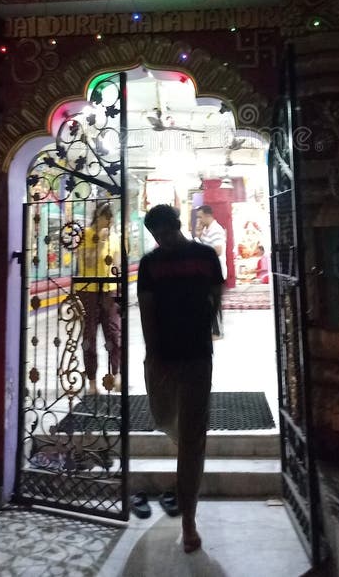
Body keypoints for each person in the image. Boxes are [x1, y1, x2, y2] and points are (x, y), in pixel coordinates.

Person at [138, 204, 224, 554]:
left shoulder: (205, 256)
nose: (163, 239)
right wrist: (153, 353)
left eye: (166, 232)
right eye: (157, 235)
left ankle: (188, 518)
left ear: (177, 225)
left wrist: (210, 326)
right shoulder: (150, 264)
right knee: (164, 419)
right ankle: (186, 456)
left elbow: (217, 296)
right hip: (163, 357)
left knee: (192, 438)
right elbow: (146, 308)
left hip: (197, 356)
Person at [75, 202, 121, 394]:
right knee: (90, 337)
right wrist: (99, 243)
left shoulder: (115, 238)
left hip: (109, 291)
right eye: (106, 217)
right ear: (98, 216)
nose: (108, 222)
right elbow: (85, 261)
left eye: (111, 218)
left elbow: (117, 267)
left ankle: (117, 376)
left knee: (114, 334)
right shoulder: (85, 235)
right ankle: (92, 382)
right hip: (88, 291)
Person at [195, 205, 226, 338]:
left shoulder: (216, 230)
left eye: (200, 217)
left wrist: (202, 251)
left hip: (215, 272)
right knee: (210, 302)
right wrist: (198, 235)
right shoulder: (207, 230)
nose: (199, 220)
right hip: (208, 272)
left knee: (214, 302)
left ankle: (217, 332)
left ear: (208, 215)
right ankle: (214, 330)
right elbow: (203, 246)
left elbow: (218, 250)